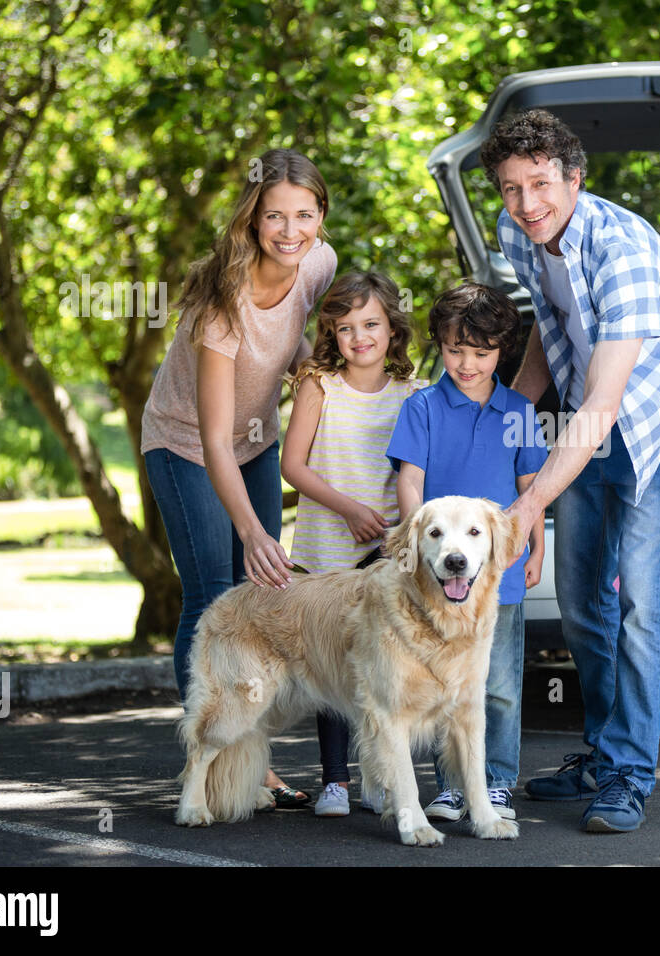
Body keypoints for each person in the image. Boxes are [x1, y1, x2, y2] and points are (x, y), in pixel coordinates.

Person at [481, 109, 660, 832]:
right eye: (512, 188)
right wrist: (501, 417)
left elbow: (605, 401)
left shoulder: (625, 251)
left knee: (641, 596)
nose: (528, 204)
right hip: (587, 413)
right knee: (582, 599)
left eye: (542, 184)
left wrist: (529, 506)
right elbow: (549, 337)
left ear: (575, 179)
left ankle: (629, 777)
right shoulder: (514, 234)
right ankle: (604, 752)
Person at [140, 147, 337, 809]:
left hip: (254, 441)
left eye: (304, 215)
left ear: (320, 216)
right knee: (214, 598)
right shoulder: (220, 304)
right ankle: (208, 761)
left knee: (258, 602)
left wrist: (318, 370)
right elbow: (213, 439)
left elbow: (291, 344)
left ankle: (252, 762)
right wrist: (253, 531)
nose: (291, 230)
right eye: (275, 216)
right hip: (185, 444)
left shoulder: (319, 264)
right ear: (253, 221)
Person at [385, 282, 547, 823]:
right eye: (455, 350)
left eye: (481, 352)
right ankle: (452, 787)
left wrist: (536, 548)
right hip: (435, 576)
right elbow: (412, 483)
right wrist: (413, 551)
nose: (467, 363)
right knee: (436, 686)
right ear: (439, 345)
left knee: (496, 686)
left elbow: (531, 490)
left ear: (503, 351)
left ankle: (495, 782)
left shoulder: (520, 410)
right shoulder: (422, 407)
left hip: (497, 575)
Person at [280, 271, 427, 817]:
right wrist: (348, 508)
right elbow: (291, 465)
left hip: (387, 552)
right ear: (332, 335)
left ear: (393, 329)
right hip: (326, 546)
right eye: (345, 328)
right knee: (331, 662)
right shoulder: (320, 385)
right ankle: (335, 781)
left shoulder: (416, 394)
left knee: (384, 665)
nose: (359, 336)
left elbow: (418, 473)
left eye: (371, 324)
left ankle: (381, 776)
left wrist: (398, 532)